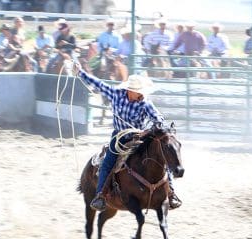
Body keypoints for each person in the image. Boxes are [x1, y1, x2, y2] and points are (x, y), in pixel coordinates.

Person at [76, 64, 178, 211]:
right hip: (119, 137)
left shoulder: (144, 103)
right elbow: (98, 84)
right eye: (139, 92)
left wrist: (153, 127)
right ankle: (100, 195)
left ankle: (171, 193)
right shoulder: (116, 94)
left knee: (161, 157)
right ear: (131, 90)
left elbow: (158, 117)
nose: (141, 94)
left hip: (139, 139)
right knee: (107, 162)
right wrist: (80, 72)